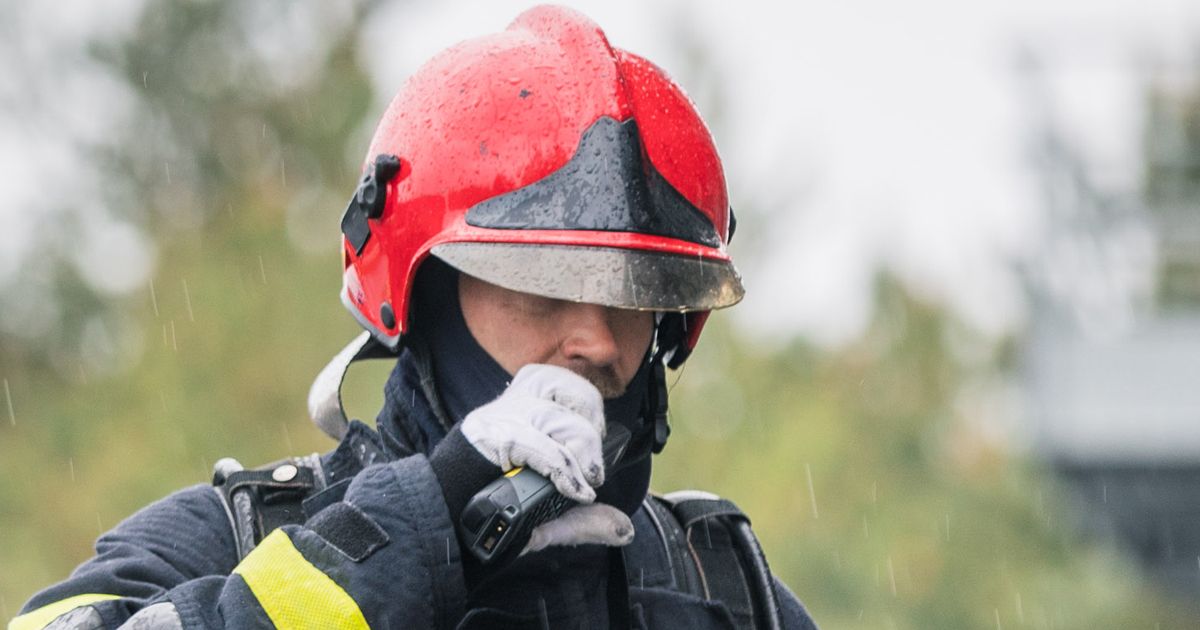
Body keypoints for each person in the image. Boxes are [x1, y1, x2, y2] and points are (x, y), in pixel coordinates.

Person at [10, 6, 817, 630]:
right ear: (424, 299)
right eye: (542, 285)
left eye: (632, 294)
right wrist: (412, 528)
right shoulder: (228, 541)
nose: (600, 342)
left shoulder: (720, 587)